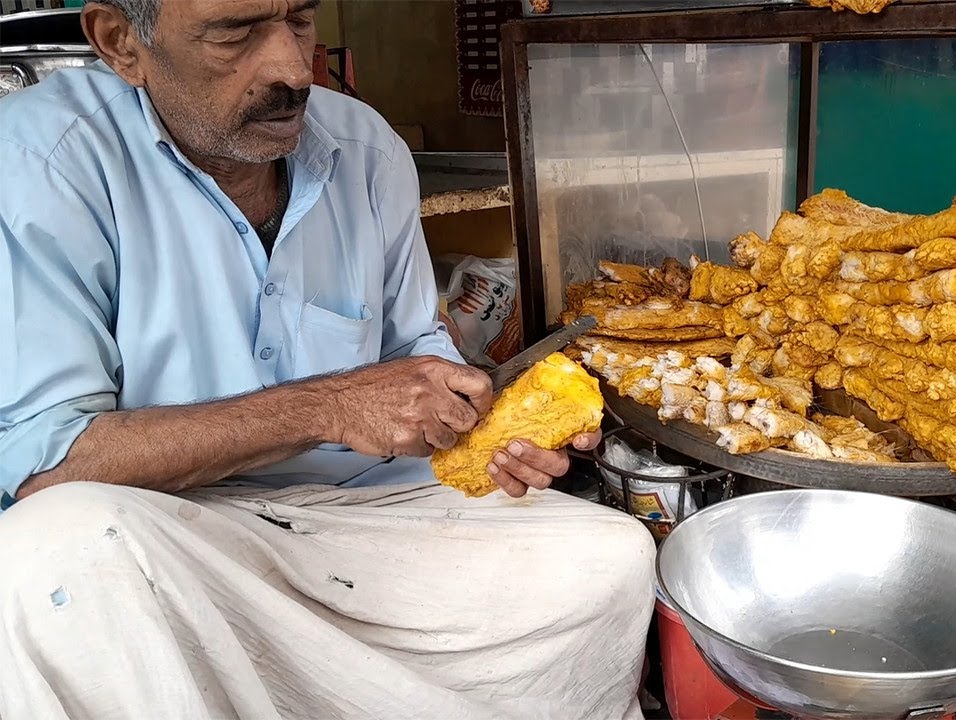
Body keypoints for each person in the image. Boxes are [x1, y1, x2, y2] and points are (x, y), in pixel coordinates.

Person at [0, 1, 655, 718]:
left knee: (605, 559)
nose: (290, 68)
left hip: (365, 516)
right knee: (55, 555)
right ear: (122, 44)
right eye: (235, 32)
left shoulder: (365, 147)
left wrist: (479, 418)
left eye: (301, 20)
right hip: (176, 534)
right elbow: (48, 462)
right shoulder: (41, 163)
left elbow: (414, 350)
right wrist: (331, 407)